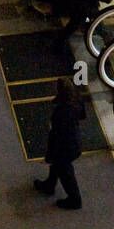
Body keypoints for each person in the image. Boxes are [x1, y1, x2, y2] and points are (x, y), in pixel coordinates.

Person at [33, 79, 86, 209]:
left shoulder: (60, 112)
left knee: (65, 172)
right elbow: (82, 115)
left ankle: (75, 200)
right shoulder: (77, 99)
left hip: (65, 148)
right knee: (57, 166)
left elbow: (56, 137)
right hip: (74, 141)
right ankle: (49, 185)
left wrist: (49, 156)